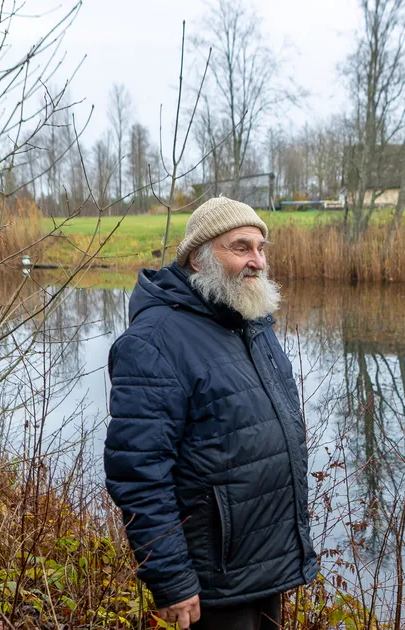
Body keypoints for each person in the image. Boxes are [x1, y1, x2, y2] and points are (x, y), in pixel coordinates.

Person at [104, 197, 317, 630]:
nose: (257, 260)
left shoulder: (251, 324)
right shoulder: (155, 342)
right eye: (241, 247)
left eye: (261, 247)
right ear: (199, 260)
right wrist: (172, 579)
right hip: (210, 583)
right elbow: (139, 472)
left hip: (264, 567)